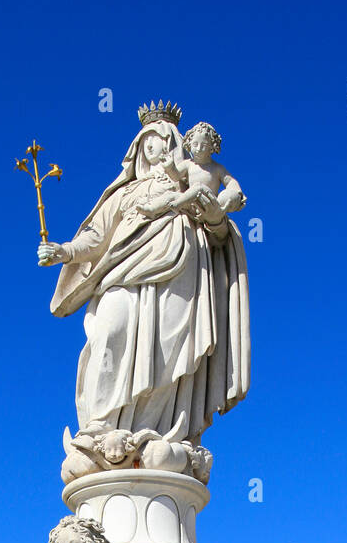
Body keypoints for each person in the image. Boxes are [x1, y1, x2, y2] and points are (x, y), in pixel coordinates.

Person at [38, 106, 250, 446]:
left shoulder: (194, 180)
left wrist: (214, 217)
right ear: (138, 148)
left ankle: (160, 436)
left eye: (166, 141)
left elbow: (220, 236)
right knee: (110, 330)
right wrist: (64, 251)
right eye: (150, 142)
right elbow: (96, 237)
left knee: (172, 351)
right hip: (122, 273)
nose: (159, 148)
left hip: (182, 275)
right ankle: (100, 426)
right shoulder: (124, 193)